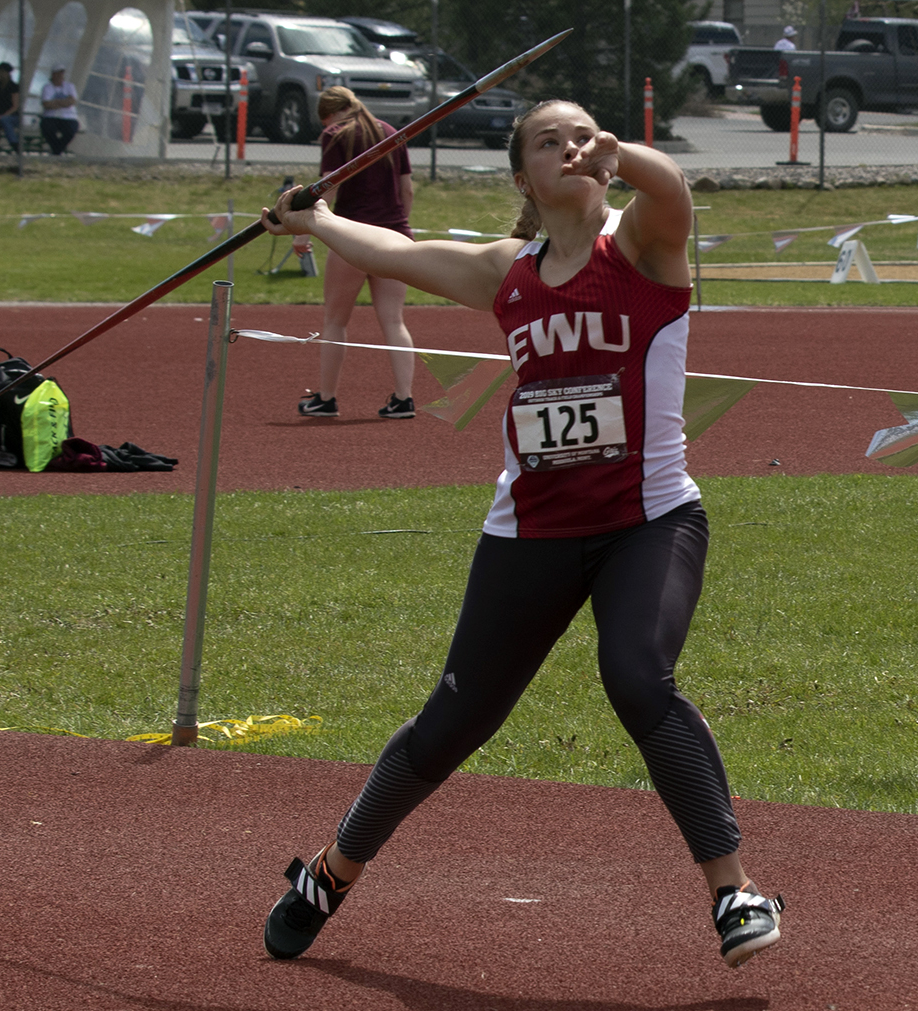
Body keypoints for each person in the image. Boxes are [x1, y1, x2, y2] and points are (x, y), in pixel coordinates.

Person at [258, 99, 784, 967]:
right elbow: (400, 252)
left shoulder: (645, 244)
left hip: (646, 521)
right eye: (550, 142)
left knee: (636, 678)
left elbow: (673, 186)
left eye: (583, 137)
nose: (571, 148)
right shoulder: (510, 271)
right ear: (521, 179)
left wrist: (623, 152)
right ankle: (332, 869)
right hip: (528, 531)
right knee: (450, 723)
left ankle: (734, 888)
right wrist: (314, 219)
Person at [293, 86, 417, 421]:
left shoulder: (335, 135)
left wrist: (304, 231)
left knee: (335, 320)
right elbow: (407, 189)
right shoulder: (390, 132)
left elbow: (325, 190)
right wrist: (399, 225)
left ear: (329, 114)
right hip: (395, 235)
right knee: (393, 320)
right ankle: (404, 399)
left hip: (353, 236)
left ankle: (327, 398)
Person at [38, 66, 77, 154]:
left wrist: (55, 102)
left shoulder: (70, 86)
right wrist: (64, 102)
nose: (60, 75)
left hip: (68, 117)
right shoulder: (47, 87)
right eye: (58, 73)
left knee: (71, 131)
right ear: (53, 74)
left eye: (61, 73)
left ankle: (56, 150)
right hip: (51, 116)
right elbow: (46, 104)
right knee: (47, 129)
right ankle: (57, 150)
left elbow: (72, 101)